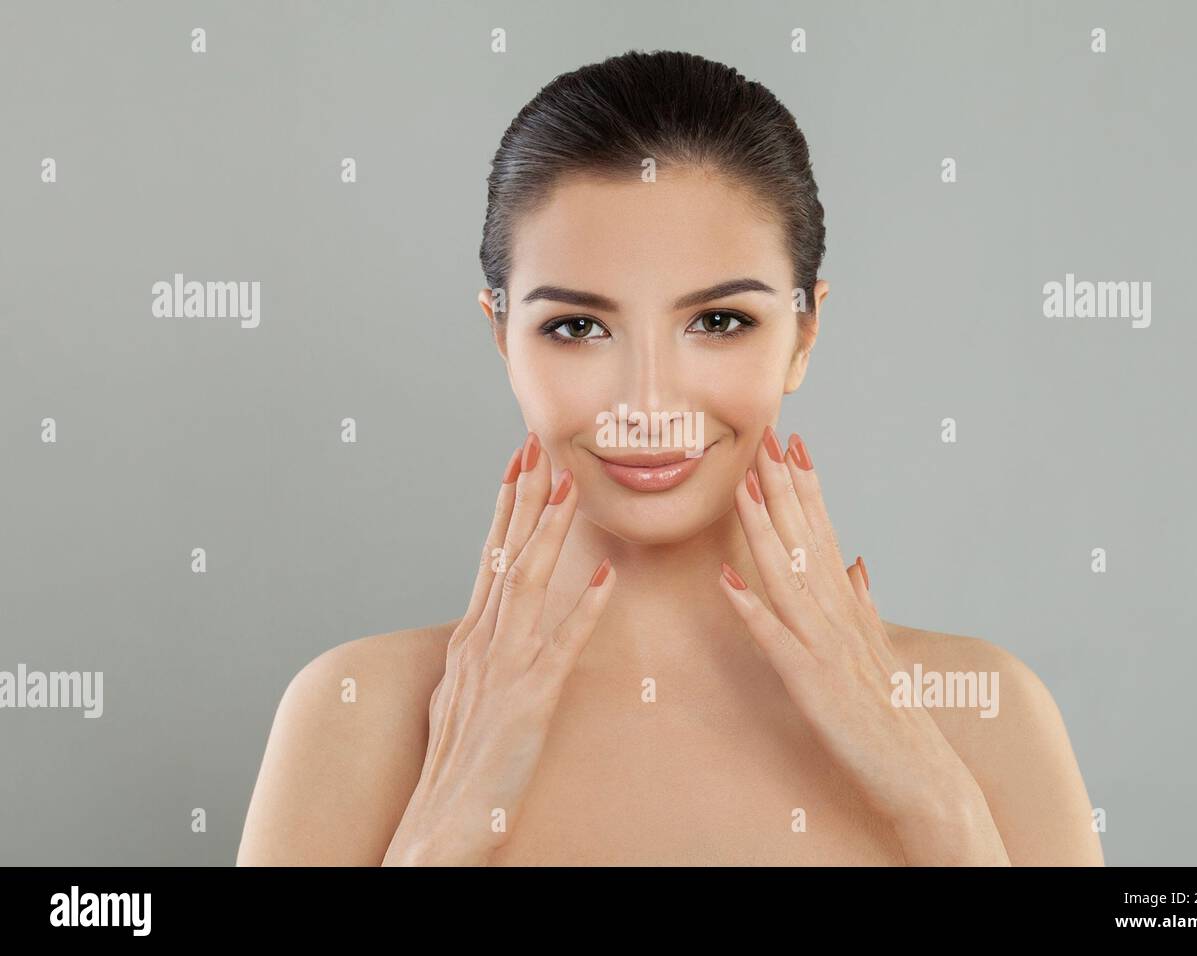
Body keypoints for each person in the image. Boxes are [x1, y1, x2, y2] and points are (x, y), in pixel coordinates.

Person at [237, 50, 1104, 866]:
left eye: (718, 322)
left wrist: (937, 805)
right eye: (576, 327)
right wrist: (441, 831)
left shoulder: (985, 713)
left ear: (804, 332)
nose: (647, 404)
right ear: (503, 337)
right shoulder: (356, 715)